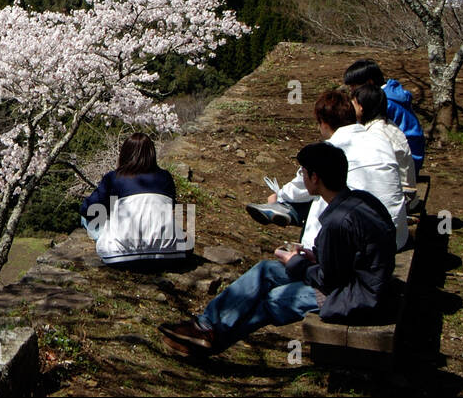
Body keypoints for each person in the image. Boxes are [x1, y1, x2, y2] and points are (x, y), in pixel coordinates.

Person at [159, 142, 397, 354]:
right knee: (266, 270)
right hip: (359, 282)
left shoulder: (337, 222)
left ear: (315, 178)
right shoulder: (363, 201)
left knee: (274, 300)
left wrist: (296, 263)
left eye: (303, 172)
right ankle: (205, 325)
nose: (302, 178)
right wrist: (316, 257)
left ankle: (209, 343)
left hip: (354, 297)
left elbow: (329, 281)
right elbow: (352, 257)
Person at [252, 90, 408, 250]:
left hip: (359, 240)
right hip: (395, 234)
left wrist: (278, 196)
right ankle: (289, 212)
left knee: (317, 193)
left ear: (324, 123)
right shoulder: (380, 139)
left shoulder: (331, 149)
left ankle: (286, 212)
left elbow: (303, 186)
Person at [80, 133, 189, 265]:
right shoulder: (165, 177)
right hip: (169, 254)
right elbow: (170, 207)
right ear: (151, 154)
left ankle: (108, 240)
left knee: (87, 218)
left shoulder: (113, 178)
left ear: (124, 154)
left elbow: (88, 209)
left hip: (120, 255)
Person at [343, 59, 424, 178]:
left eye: (354, 86)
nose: (352, 91)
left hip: (406, 162)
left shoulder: (384, 102)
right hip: (408, 157)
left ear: (369, 83)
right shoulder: (389, 96)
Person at [351, 84, 414, 188]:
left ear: (361, 107)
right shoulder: (388, 124)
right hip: (405, 187)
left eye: (353, 104)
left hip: (401, 193)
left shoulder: (374, 134)